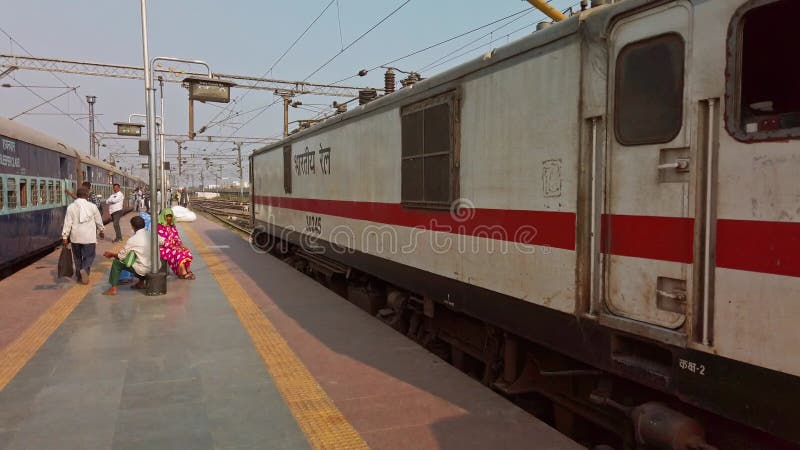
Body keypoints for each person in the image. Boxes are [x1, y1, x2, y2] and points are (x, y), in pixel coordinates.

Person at [102, 216, 158, 295]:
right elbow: (163, 241)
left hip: (143, 271)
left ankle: (113, 288)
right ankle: (141, 283)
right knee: (139, 257)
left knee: (117, 263)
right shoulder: (153, 235)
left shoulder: (133, 240)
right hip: (155, 269)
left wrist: (111, 254)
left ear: (133, 227)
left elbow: (121, 256)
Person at [61, 187, 104, 284]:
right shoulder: (92, 206)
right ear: (87, 195)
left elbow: (67, 223)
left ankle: (79, 277)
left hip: (75, 237)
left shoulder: (71, 207)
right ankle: (84, 270)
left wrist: (64, 236)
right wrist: (101, 230)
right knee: (89, 256)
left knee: (77, 258)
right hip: (89, 238)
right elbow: (98, 220)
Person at [157, 208, 195, 279]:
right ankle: (183, 273)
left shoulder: (172, 226)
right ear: (163, 216)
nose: (169, 218)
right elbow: (162, 241)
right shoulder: (159, 227)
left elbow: (176, 237)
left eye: (170, 216)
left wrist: (181, 245)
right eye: (167, 216)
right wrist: (173, 247)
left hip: (173, 246)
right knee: (178, 253)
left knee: (185, 251)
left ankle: (188, 271)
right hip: (163, 248)